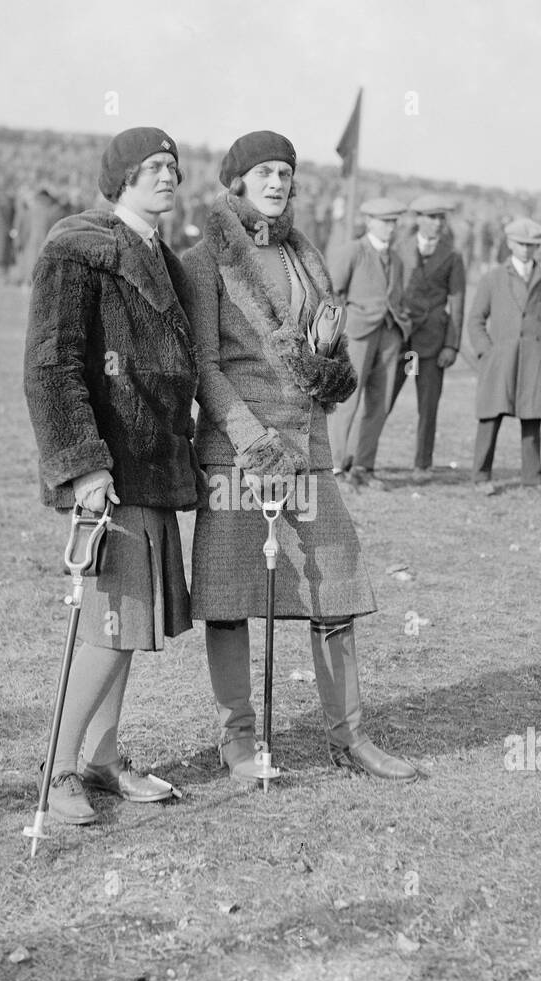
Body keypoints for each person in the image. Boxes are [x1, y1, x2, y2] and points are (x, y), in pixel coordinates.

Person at [183, 130, 418, 782]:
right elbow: (204, 367)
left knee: (335, 587)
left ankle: (350, 738)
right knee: (232, 599)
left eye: (285, 171)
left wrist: (325, 353)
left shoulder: (304, 254)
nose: (278, 181)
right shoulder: (205, 263)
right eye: (264, 171)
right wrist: (253, 445)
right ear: (236, 182)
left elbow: (325, 363)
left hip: (309, 450)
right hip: (239, 455)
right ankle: (238, 744)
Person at [22, 127, 200, 824]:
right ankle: (57, 768)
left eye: (173, 166)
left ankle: (103, 755)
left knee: (130, 623)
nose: (167, 176)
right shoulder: (78, 251)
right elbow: (50, 366)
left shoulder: (164, 258)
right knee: (109, 623)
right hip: (112, 469)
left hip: (155, 463)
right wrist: (85, 467)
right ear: (121, 179)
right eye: (153, 167)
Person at [467, 217, 541, 494]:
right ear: (510, 243)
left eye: (532, 245)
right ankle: (481, 476)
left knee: (532, 417)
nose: (526, 250)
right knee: (490, 416)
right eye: (521, 244)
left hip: (535, 359)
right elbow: (475, 319)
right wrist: (487, 352)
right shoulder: (493, 278)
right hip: (501, 359)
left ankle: (532, 477)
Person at [327, 197, 413, 491]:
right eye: (386, 221)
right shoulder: (353, 251)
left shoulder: (398, 258)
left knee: (381, 401)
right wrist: (343, 326)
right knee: (348, 399)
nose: (391, 227)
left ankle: (363, 465)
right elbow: (331, 291)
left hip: (390, 333)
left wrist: (402, 323)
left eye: (394, 222)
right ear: (370, 222)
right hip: (358, 334)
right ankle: (336, 466)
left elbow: (398, 296)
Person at [388, 195, 466, 484]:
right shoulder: (399, 248)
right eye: (432, 217)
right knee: (381, 400)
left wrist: (451, 344)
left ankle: (423, 464)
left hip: (433, 344)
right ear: (418, 218)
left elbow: (457, 302)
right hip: (402, 340)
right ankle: (360, 460)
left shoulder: (453, 256)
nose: (438, 223)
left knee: (428, 406)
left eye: (441, 218)